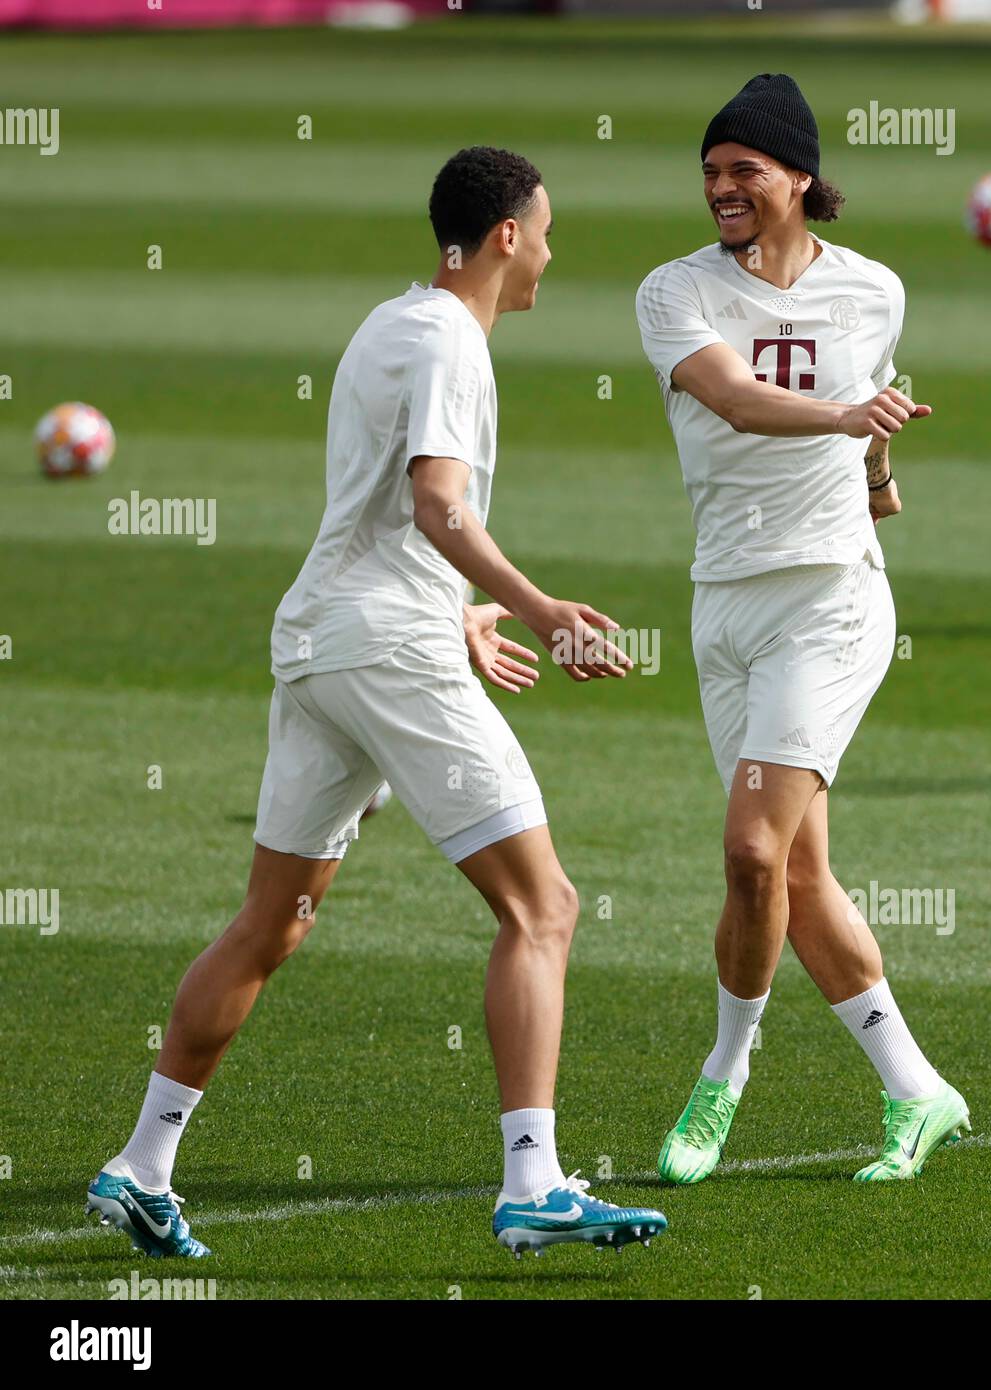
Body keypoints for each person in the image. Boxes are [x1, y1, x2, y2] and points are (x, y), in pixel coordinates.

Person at [86, 146, 667, 1259]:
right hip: (382, 649)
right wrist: (539, 606)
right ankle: (533, 1181)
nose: (549, 253)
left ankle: (141, 1165)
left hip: (323, 641)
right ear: (506, 235)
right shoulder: (452, 337)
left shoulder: (393, 322)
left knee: (271, 921)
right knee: (541, 907)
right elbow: (437, 504)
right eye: (545, 231)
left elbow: (377, 513)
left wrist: (457, 609)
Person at [635, 76, 969, 1184]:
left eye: (744, 170)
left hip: (828, 599)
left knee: (745, 850)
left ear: (798, 178)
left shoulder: (872, 289)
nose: (721, 189)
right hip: (722, 599)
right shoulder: (672, 292)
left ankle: (720, 1079)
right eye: (710, 171)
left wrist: (876, 473)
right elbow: (731, 398)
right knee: (795, 873)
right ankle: (917, 1093)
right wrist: (848, 425)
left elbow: (871, 404)